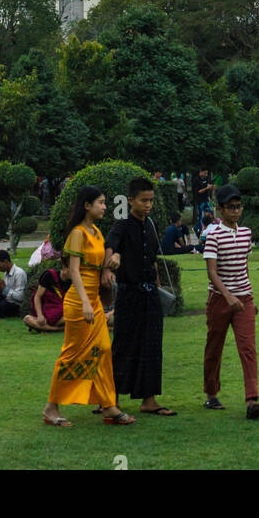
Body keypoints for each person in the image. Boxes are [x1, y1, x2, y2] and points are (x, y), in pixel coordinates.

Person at [43, 184, 130, 427]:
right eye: (101, 202)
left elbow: (102, 265)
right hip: (79, 302)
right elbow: (73, 271)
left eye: (104, 202)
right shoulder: (79, 233)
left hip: (93, 301)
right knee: (72, 355)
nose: (104, 206)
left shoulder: (98, 233)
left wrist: (115, 259)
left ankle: (108, 405)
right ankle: (51, 407)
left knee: (102, 350)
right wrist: (85, 303)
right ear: (87, 206)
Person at [105, 177, 176, 418]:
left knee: (152, 346)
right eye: (143, 200)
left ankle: (149, 399)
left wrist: (158, 287)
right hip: (128, 294)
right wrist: (112, 258)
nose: (148, 205)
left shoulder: (152, 225)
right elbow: (110, 247)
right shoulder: (122, 226)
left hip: (150, 295)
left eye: (151, 201)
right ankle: (110, 398)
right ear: (131, 200)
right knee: (123, 346)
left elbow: (153, 261)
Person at [203, 184, 259, 419]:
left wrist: (249, 299)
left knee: (248, 348)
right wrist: (228, 296)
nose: (236, 211)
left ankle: (252, 399)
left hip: (244, 298)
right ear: (220, 209)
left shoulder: (246, 233)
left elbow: (244, 267)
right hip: (220, 299)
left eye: (238, 207)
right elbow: (212, 272)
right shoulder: (213, 235)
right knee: (214, 347)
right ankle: (211, 394)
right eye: (231, 208)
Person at [25, 254, 70, 332]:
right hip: (46, 314)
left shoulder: (74, 282)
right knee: (27, 319)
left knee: (74, 316)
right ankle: (58, 329)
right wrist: (40, 315)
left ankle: (47, 328)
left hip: (63, 316)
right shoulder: (49, 275)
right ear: (64, 267)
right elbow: (37, 297)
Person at [192, 168, 214, 234]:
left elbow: (210, 185)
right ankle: (200, 230)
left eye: (207, 173)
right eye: (205, 173)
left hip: (206, 199)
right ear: (201, 172)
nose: (206, 175)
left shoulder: (206, 178)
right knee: (201, 216)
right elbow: (198, 191)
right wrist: (206, 188)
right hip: (200, 200)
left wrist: (211, 187)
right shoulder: (196, 180)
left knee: (209, 214)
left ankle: (207, 228)